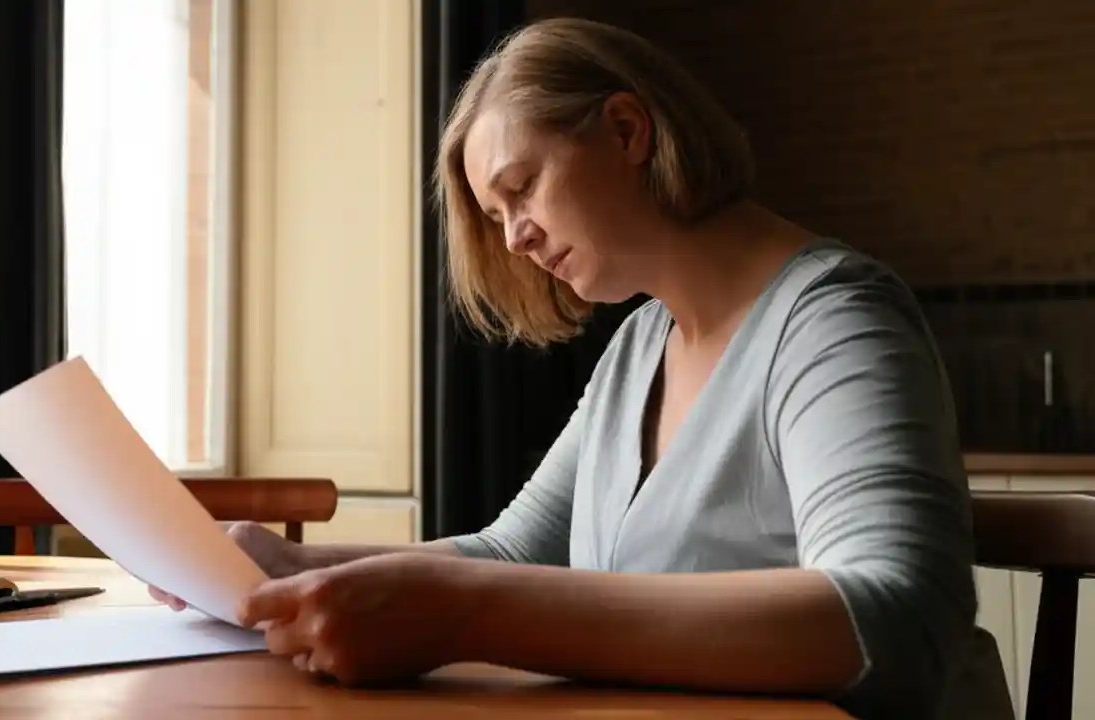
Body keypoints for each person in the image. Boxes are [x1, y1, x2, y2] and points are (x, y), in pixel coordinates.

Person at [152, 17, 1013, 719]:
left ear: (628, 130)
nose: (515, 236)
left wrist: (465, 613)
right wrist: (291, 570)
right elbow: (512, 552)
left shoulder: (833, 318)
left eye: (521, 188)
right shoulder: (642, 345)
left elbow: (893, 619)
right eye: (495, 217)